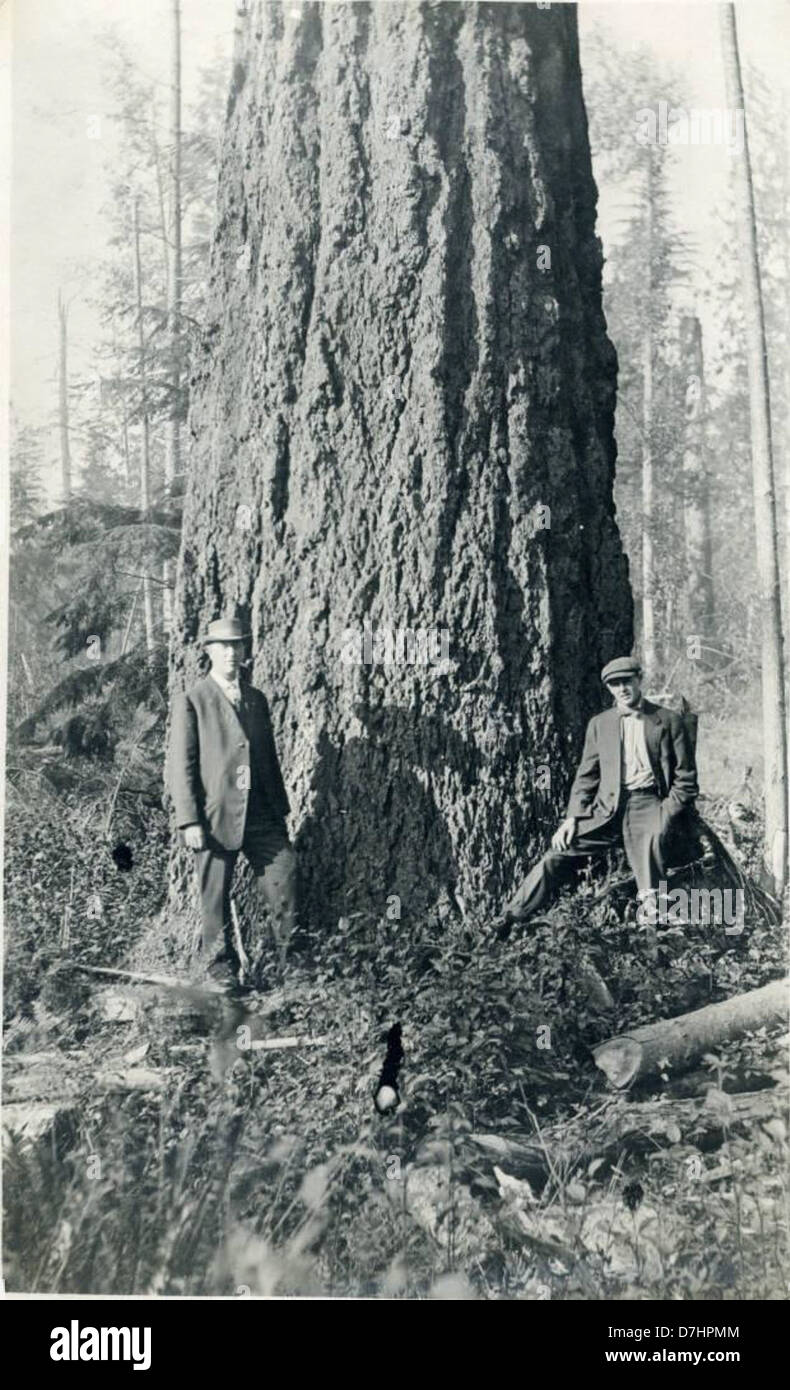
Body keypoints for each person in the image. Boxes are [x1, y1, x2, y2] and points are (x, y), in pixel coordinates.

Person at [498, 656, 698, 931]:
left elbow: (686, 778)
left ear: (640, 679)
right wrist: (572, 819)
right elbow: (587, 775)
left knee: (651, 860)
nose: (622, 688)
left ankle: (655, 931)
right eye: (615, 684)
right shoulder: (600, 724)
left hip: (649, 802)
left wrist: (666, 814)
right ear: (609, 689)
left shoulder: (668, 720)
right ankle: (510, 916)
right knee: (558, 852)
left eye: (627, 681)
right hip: (607, 809)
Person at [169, 616, 297, 1004]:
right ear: (208, 651)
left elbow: (268, 757)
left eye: (237, 646)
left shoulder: (255, 698)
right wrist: (189, 818)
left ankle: (289, 967)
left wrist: (279, 807)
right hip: (213, 816)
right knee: (214, 897)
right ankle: (221, 973)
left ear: (244, 651)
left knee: (285, 876)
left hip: (261, 814)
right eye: (223, 646)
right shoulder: (193, 700)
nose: (231, 652)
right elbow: (182, 764)